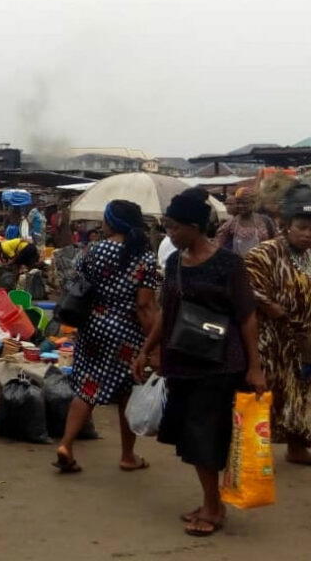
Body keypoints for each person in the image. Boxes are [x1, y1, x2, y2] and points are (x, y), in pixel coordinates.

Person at [134, 188, 265, 538]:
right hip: (183, 361)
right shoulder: (175, 263)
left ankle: (213, 508)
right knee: (190, 436)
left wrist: (255, 367)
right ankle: (212, 501)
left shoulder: (229, 264)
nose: (170, 233)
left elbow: (247, 317)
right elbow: (167, 312)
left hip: (220, 365)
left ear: (195, 227)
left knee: (205, 436)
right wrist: (147, 350)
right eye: (167, 226)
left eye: (174, 227)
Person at [53, 201, 159, 473]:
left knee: (87, 387)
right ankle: (128, 456)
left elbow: (74, 283)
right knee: (127, 391)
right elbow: (145, 305)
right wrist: (155, 344)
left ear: (112, 222)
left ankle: (66, 444)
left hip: (92, 325)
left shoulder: (93, 250)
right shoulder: (144, 256)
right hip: (126, 331)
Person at [244, 183, 311, 465]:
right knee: (266, 394)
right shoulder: (264, 253)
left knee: (300, 394)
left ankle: (296, 447)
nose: (308, 234)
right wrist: (278, 312)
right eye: (302, 227)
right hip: (270, 339)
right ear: (286, 225)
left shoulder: (308, 256)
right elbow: (250, 288)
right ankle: (252, 455)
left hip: (302, 341)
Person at [216, 187, 278, 256]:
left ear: (253, 203)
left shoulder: (265, 221)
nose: (240, 206)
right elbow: (218, 244)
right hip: (239, 262)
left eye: (244, 203)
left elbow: (276, 242)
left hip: (262, 261)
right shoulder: (231, 223)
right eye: (238, 203)